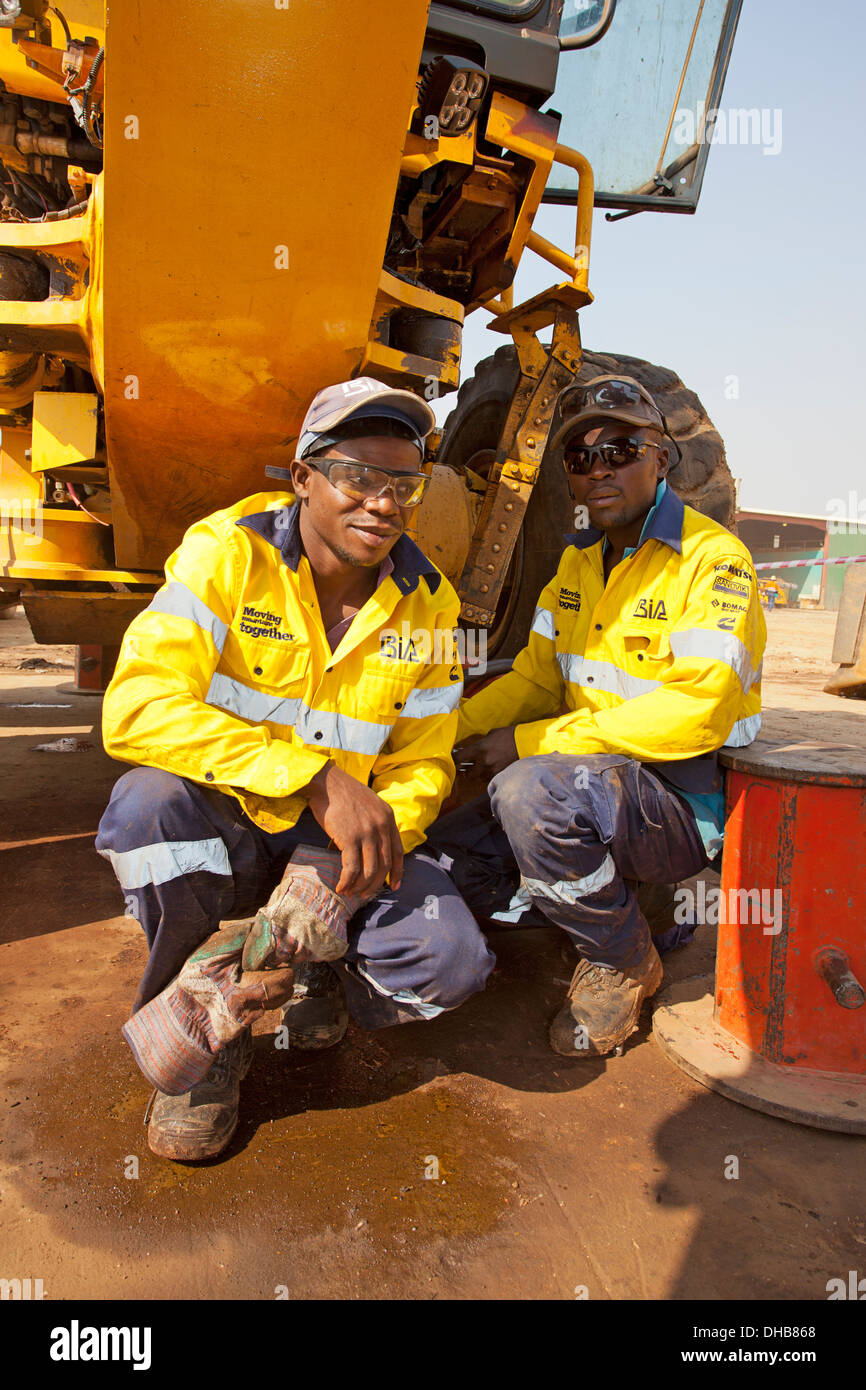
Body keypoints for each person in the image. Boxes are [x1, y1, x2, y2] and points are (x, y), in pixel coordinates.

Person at [96, 377, 494, 1160]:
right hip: (239, 820)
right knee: (147, 808)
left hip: (338, 848)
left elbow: (423, 762)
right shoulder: (227, 554)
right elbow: (135, 709)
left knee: (451, 960)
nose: (383, 504)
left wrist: (333, 875)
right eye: (358, 478)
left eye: (404, 485)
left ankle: (321, 970)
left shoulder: (430, 604)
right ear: (303, 476)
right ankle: (208, 1042)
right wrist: (312, 777)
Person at [428, 375, 766, 1058]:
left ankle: (623, 958)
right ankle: (632, 903)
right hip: (593, 785)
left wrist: (533, 742)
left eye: (620, 450)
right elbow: (531, 679)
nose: (597, 469)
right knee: (443, 862)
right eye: (579, 459)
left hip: (676, 798)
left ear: (660, 459)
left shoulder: (711, 562)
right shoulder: (578, 566)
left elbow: (697, 712)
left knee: (529, 792)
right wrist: (436, 733)